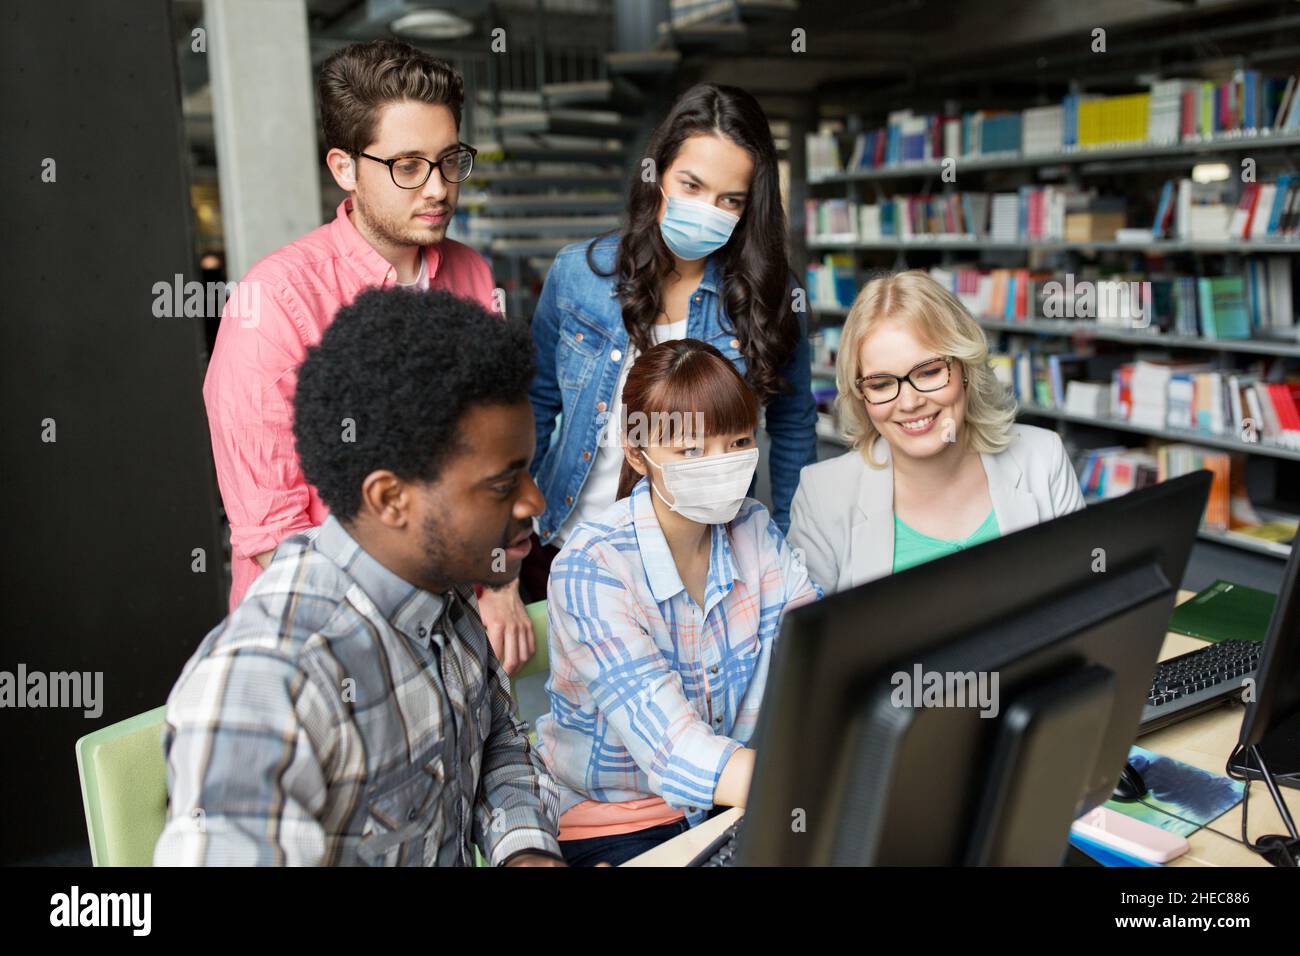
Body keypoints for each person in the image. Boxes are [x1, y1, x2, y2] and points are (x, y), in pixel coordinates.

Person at [155, 288, 563, 866]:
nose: (534, 501)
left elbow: (496, 741)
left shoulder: (440, 582)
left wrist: (527, 855)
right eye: (505, 483)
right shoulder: (272, 681)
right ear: (390, 498)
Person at [202, 39, 534, 679]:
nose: (438, 188)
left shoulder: (470, 272)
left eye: (449, 160)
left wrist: (500, 586)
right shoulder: (275, 302)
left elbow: (493, 458)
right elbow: (275, 537)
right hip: (328, 647)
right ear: (345, 168)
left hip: (454, 631)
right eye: (408, 165)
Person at [520, 82, 817, 613]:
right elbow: (536, 407)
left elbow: (794, 428)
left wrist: (788, 545)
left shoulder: (774, 297)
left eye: (731, 200)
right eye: (692, 185)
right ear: (656, 174)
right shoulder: (577, 274)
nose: (709, 210)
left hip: (702, 555)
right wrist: (512, 532)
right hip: (564, 541)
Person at [536, 339, 821, 866]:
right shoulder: (592, 567)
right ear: (637, 452)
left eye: (737, 441)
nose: (721, 464)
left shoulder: (754, 528)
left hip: (726, 802)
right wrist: (810, 784)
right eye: (691, 450)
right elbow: (675, 751)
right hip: (616, 823)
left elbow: (816, 651)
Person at [788, 270, 1085, 596]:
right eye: (883, 383)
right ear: (861, 395)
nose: (910, 402)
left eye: (929, 372)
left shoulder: (1043, 457)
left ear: (966, 369)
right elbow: (810, 641)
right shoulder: (822, 496)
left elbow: (1086, 602)